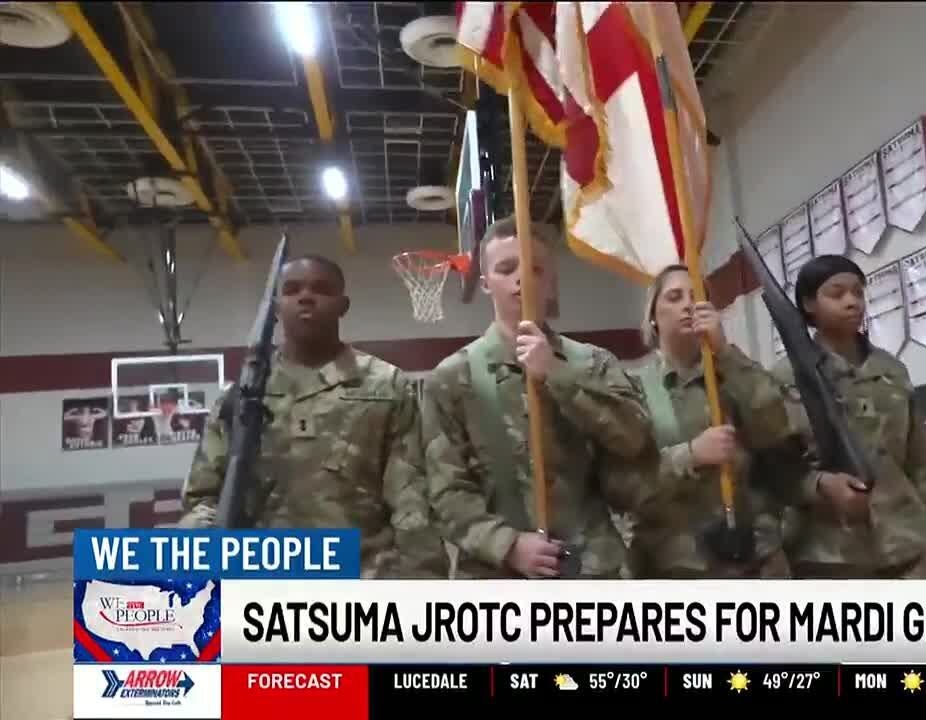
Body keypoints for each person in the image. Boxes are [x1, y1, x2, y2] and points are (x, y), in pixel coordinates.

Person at [177, 255, 448, 579]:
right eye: (292, 290)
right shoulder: (241, 399)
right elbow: (203, 497)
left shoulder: (385, 385)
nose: (306, 296)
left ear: (342, 305)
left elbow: (411, 501)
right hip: (265, 590)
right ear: (276, 307)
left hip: (363, 585)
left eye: (321, 289)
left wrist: (424, 586)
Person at [422, 217, 664, 580]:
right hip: (497, 577)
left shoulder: (592, 363)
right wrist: (507, 545)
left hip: (591, 571)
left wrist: (556, 373)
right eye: (506, 268)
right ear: (486, 284)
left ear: (551, 281)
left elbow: (634, 438)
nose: (522, 277)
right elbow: (445, 490)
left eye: (535, 268)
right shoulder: (452, 378)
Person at [767, 254, 926, 579]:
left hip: (907, 545)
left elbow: (922, 465)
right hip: (827, 556)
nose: (852, 301)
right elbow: (772, 469)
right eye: (837, 293)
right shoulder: (785, 378)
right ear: (809, 304)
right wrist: (819, 486)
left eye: (858, 291)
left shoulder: (891, 371)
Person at [625, 264, 797, 579]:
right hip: (676, 564)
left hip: (754, 557)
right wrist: (691, 454)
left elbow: (776, 426)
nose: (689, 305)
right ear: (653, 315)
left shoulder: (734, 371)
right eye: (674, 297)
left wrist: (724, 351)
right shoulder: (634, 387)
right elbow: (626, 479)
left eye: (698, 296)